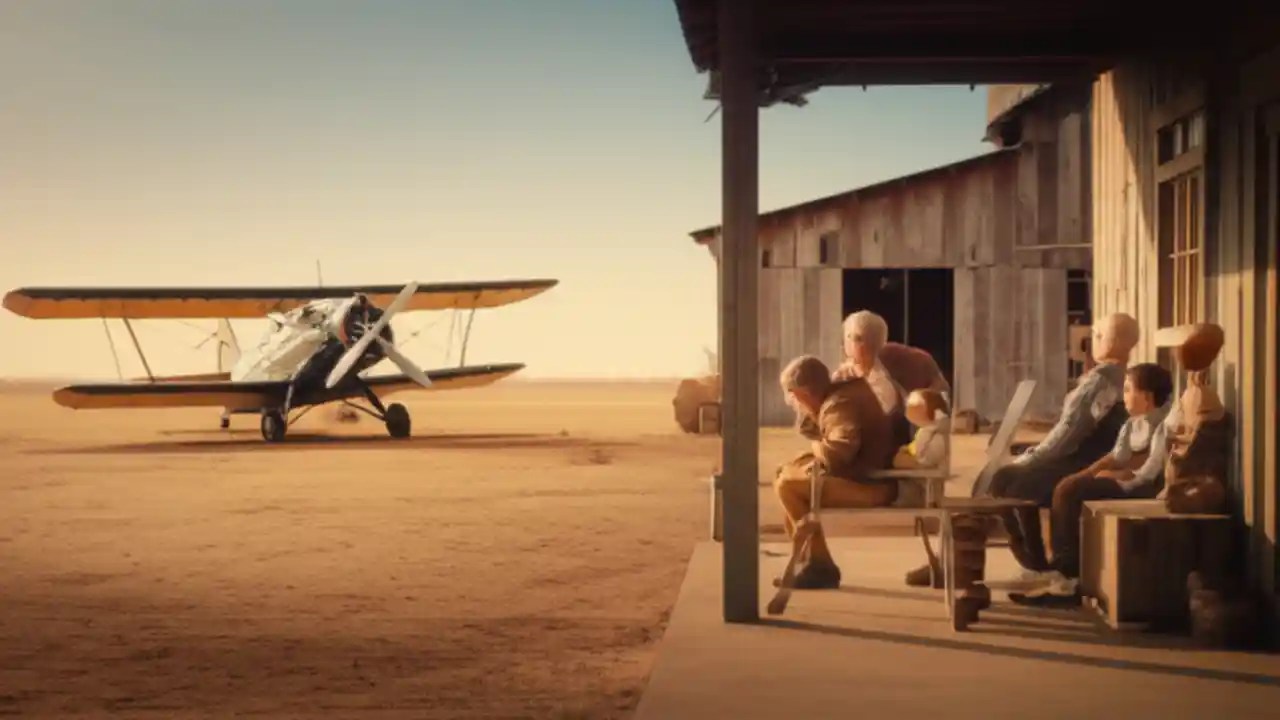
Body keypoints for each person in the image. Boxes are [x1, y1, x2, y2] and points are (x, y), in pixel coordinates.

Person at [1008, 363, 1175, 604]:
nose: (1124, 396)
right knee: (1068, 485)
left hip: (1143, 489)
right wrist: (1087, 473)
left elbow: (1150, 471)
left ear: (1147, 397)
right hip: (1125, 480)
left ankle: (1069, 575)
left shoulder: (1162, 426)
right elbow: (1117, 456)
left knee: (1070, 492)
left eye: (1129, 390)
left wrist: (1121, 479)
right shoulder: (1131, 424)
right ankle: (1061, 568)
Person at [773, 355, 898, 589]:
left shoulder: (840, 404)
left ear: (803, 393)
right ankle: (806, 562)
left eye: (794, 396)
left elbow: (838, 454)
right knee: (784, 474)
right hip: (868, 479)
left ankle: (820, 565)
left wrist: (814, 449)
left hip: (874, 487)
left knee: (787, 486)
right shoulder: (837, 399)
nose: (794, 402)